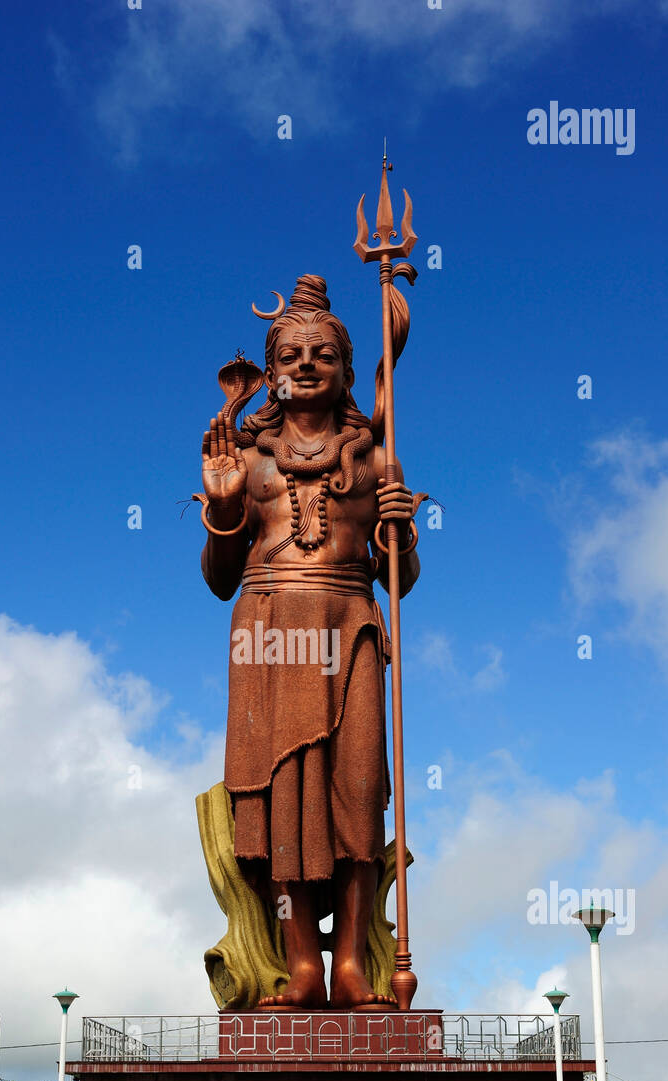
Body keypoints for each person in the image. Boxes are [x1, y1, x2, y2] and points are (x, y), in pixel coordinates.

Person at [199, 275, 420, 1009]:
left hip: (349, 621)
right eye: (289, 354)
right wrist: (224, 510)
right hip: (267, 629)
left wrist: (400, 529)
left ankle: (353, 963)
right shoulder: (252, 463)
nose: (304, 364)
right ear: (270, 371)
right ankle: (301, 965)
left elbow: (402, 581)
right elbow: (219, 580)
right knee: (285, 800)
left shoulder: (377, 462)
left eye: (322, 353)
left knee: (357, 794)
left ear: (348, 370)